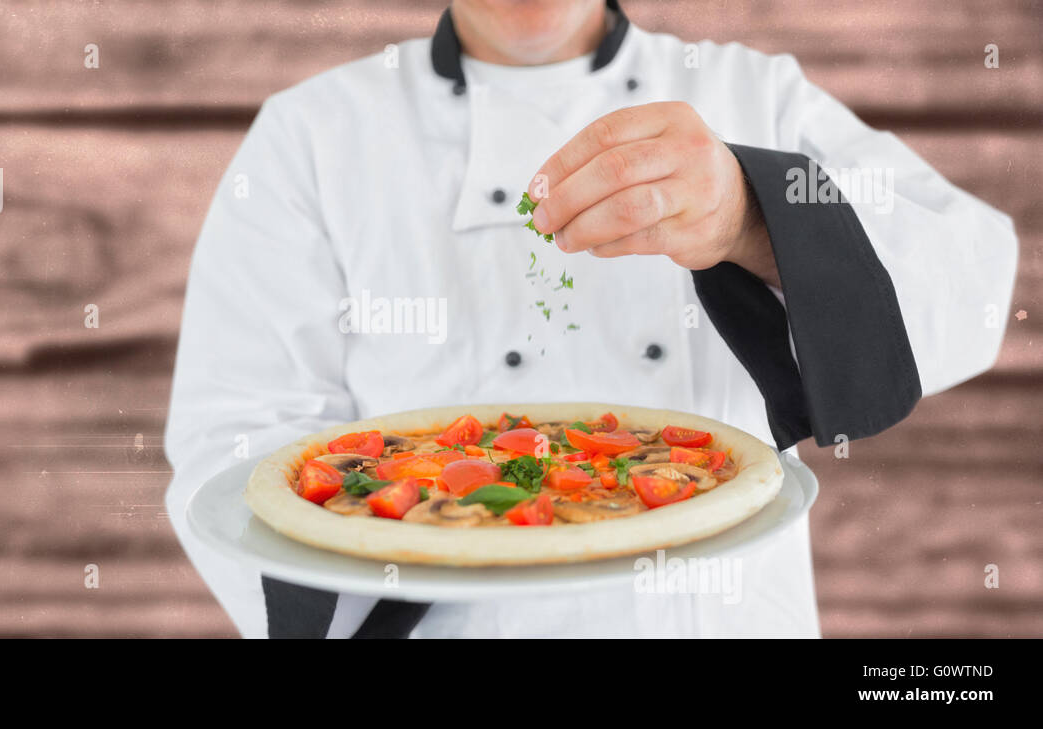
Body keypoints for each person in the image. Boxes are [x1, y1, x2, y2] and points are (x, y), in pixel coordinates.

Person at [162, 0, 1017, 638]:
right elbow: (236, 442)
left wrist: (755, 219)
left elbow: (973, 283)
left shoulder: (753, 92)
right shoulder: (313, 134)